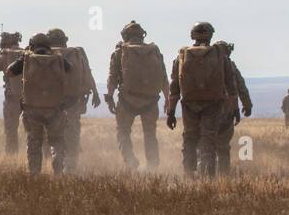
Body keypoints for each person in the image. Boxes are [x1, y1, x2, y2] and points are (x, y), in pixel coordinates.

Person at [166, 22, 237, 178]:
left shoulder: (182, 55)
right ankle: (209, 177)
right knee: (209, 139)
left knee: (190, 139)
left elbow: (175, 87)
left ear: (193, 36)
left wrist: (171, 111)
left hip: (189, 104)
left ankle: (188, 175)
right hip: (213, 104)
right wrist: (235, 108)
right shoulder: (220, 54)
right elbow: (231, 85)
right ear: (210, 35)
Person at [104, 21, 167, 170]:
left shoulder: (119, 52)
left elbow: (112, 78)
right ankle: (152, 166)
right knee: (150, 134)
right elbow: (164, 77)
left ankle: (131, 160)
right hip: (150, 101)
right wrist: (168, 100)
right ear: (142, 35)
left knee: (123, 132)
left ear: (125, 35)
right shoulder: (154, 51)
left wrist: (110, 97)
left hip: (127, 101)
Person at [9, 33, 70, 175]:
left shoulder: (27, 58)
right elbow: (70, 69)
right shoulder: (58, 58)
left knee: (34, 143)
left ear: (32, 45)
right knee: (56, 141)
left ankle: (35, 175)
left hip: (32, 109)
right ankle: (57, 160)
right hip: (54, 109)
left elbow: (10, 72)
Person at [44, 28, 100, 173]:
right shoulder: (76, 53)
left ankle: (55, 158)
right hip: (72, 102)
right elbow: (87, 75)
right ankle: (71, 167)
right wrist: (95, 92)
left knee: (50, 134)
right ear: (65, 40)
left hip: (49, 104)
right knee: (73, 134)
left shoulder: (43, 55)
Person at [214, 42, 253, 174]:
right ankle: (223, 176)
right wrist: (247, 105)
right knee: (223, 146)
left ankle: (204, 176)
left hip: (201, 112)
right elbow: (241, 87)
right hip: (226, 111)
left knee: (204, 145)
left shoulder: (201, 65)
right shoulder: (230, 66)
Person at [0, 31, 23, 154]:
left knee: (11, 131)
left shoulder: (3, 57)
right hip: (30, 99)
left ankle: (12, 160)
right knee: (36, 133)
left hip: (12, 99)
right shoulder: (27, 54)